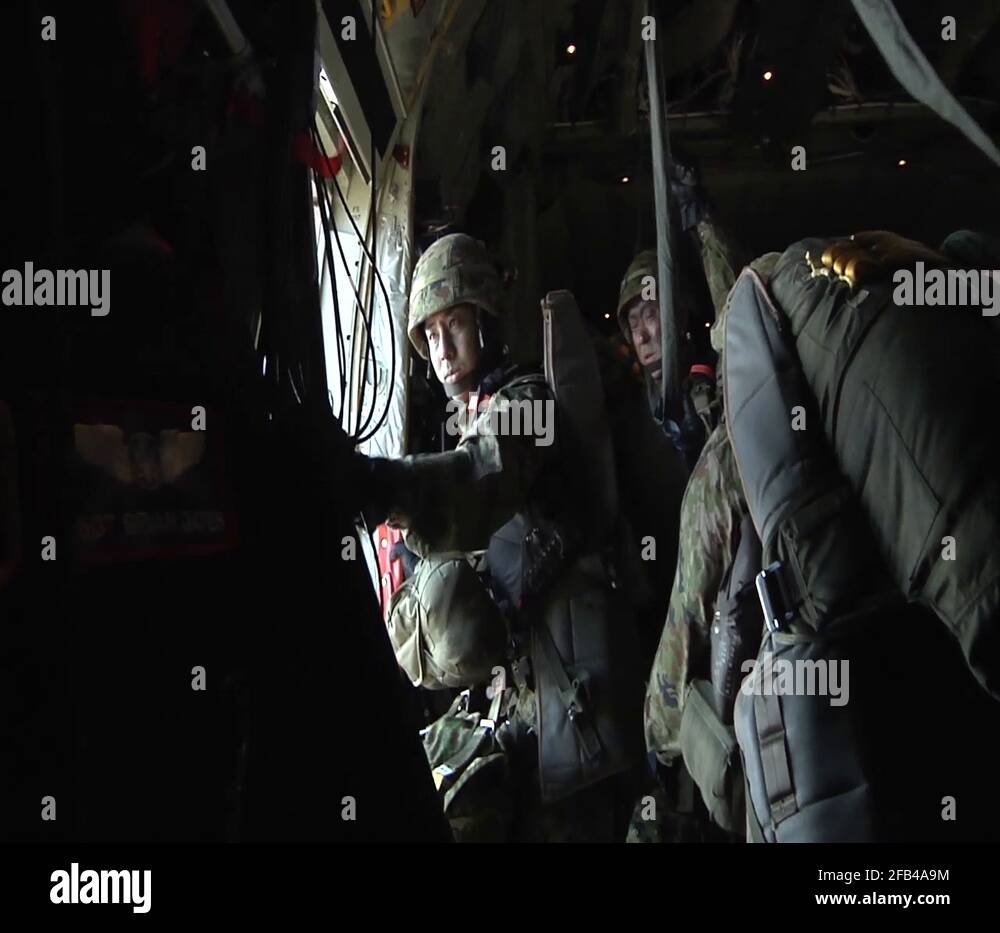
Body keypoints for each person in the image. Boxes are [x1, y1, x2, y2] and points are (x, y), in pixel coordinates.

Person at [360, 233, 644, 841]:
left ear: (487, 320)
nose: (442, 348)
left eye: (455, 324)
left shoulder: (528, 402)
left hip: (567, 700)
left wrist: (382, 486)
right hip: (515, 702)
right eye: (430, 333)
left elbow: (482, 475)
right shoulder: (462, 420)